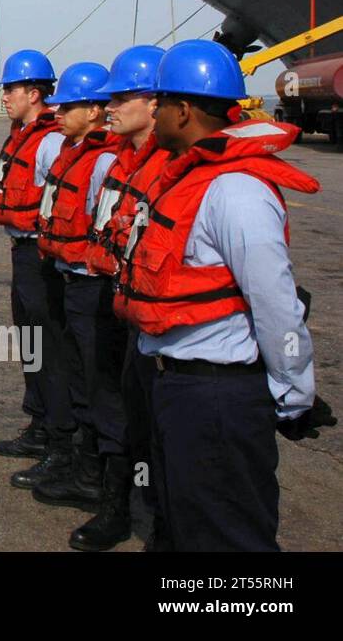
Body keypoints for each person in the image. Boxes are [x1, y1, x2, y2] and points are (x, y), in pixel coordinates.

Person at [117, 39, 335, 551]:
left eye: (161, 103)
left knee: (229, 539)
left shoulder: (236, 192)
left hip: (215, 394)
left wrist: (293, 396)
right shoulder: (188, 179)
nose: (156, 113)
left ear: (184, 110)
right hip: (175, 386)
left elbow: (276, 305)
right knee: (181, 527)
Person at [79, 44, 170, 551]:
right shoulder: (121, 162)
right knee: (116, 405)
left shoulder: (173, 169)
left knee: (155, 423)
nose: (108, 107)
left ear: (155, 102)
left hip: (156, 320)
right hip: (116, 299)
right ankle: (116, 505)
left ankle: (154, 518)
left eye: (121, 98)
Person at [29, 62, 124, 540]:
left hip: (91, 283)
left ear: (93, 110)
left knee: (97, 382)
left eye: (68, 106)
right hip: (70, 275)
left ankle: (98, 482)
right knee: (78, 374)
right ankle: (83, 469)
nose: (58, 112)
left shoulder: (105, 160)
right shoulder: (74, 150)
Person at [0, 50, 74, 475]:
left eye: (10, 89)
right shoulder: (23, 133)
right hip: (23, 254)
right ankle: (39, 422)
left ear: (34, 93)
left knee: (51, 349)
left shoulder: (51, 141)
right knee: (33, 344)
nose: (4, 97)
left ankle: (61, 442)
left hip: (42, 257)